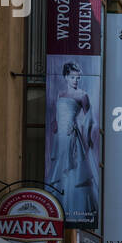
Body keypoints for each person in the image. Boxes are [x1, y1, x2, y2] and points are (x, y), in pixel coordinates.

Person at [47, 61, 101, 221]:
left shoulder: (82, 95)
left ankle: (74, 209)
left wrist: (88, 135)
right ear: (65, 77)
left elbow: (91, 119)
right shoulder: (60, 94)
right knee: (59, 170)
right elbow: (57, 116)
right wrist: (55, 126)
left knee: (74, 171)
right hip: (60, 137)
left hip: (72, 136)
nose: (75, 80)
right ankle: (56, 207)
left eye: (77, 77)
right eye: (72, 77)